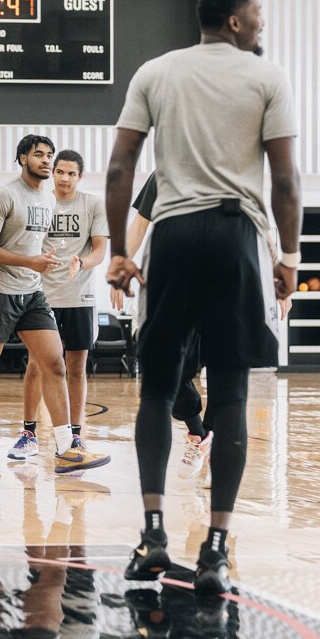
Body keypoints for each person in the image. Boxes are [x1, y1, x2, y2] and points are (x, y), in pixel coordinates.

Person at [105, 0, 301, 594]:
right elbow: (287, 181)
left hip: (176, 236)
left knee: (157, 392)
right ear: (236, 22)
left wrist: (118, 252)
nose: (262, 21)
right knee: (232, 394)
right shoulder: (266, 78)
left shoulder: (155, 72)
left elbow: (119, 167)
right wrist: (288, 256)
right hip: (235, 234)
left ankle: (154, 535)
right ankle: (216, 549)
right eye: (258, 12)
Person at [0, 135, 109, 476]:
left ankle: (66, 447)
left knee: (55, 364)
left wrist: (62, 259)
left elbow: (45, 243)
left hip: (31, 294)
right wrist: (28, 262)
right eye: (39, 155)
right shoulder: (3, 195)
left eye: (49, 155)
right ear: (22, 159)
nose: (46, 161)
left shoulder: (47, 200)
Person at [111, 172, 213, 481]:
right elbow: (140, 224)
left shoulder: (230, 169)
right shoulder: (164, 174)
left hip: (217, 285)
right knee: (164, 369)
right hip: (169, 285)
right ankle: (199, 433)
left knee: (222, 376)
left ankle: (214, 458)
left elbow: (258, 227)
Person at [21, 149, 110, 461]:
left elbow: (99, 250)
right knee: (36, 364)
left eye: (71, 173)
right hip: (41, 296)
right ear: (53, 172)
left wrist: (81, 263)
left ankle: (75, 435)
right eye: (60, 171)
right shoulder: (38, 201)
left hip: (80, 297)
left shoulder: (93, 204)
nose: (64, 178)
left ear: (79, 177)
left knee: (76, 365)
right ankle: (28, 433)